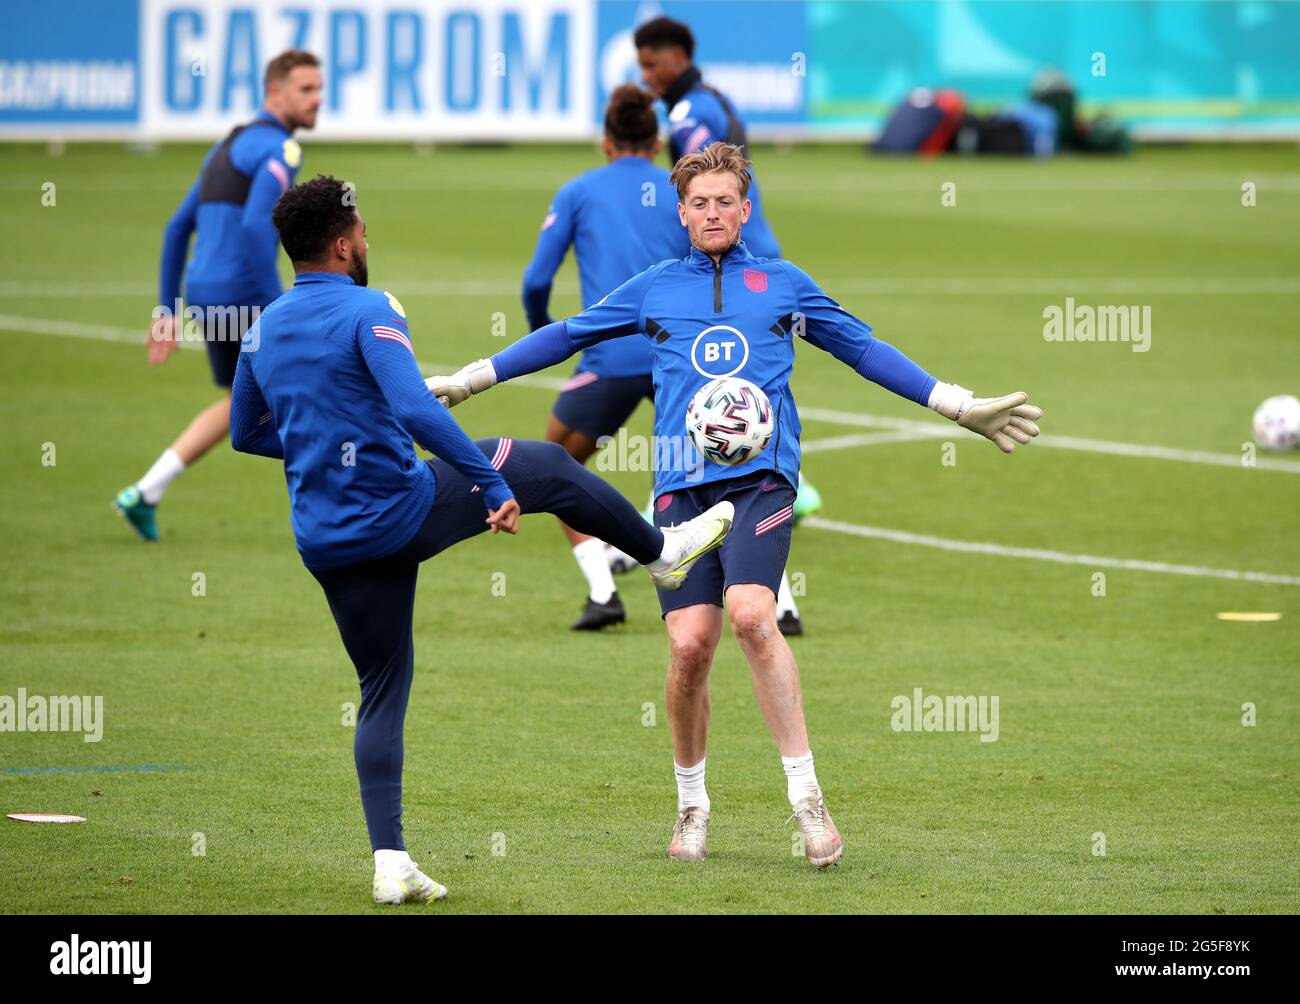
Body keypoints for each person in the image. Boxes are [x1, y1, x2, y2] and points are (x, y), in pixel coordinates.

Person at [426, 144, 1043, 869]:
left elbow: (864, 349)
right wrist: (472, 380)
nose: (713, 213)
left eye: (726, 201)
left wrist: (957, 405)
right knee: (689, 647)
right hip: (681, 491)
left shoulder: (783, 285)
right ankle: (692, 807)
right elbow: (568, 335)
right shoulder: (655, 288)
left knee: (753, 615)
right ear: (681, 213)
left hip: (763, 482)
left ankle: (808, 801)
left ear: (745, 209)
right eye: (699, 203)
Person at [229, 175, 734, 904]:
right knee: (542, 465)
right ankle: (663, 554)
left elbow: (248, 433)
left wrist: (328, 445)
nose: (368, 241)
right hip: (397, 511)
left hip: (326, 538)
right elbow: (414, 407)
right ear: (342, 244)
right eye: (363, 232)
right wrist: (490, 485)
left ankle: (390, 863)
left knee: (380, 689)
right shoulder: (370, 310)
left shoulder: (263, 326)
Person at [634, 15, 816, 635]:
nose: (645, 73)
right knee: (730, 422)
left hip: (738, 282)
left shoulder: (691, 110)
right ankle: (772, 583)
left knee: (722, 421)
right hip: (736, 277)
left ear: (678, 56)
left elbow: (700, 179)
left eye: (652, 61)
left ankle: (767, 578)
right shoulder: (711, 99)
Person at [113, 50, 322, 541]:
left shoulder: (226, 145)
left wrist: (168, 308)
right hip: (244, 291)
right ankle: (341, 508)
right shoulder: (283, 150)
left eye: (319, 89)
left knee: (240, 402)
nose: (318, 100)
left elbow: (177, 225)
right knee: (317, 385)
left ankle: (145, 491)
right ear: (276, 92)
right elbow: (254, 227)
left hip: (204, 295)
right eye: (307, 90)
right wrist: (281, 307)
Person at [523, 84, 691, 631]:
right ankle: (781, 602)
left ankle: (603, 592)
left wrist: (541, 333)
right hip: (679, 357)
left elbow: (536, 280)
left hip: (609, 359)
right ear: (658, 139)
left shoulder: (577, 191)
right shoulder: (679, 192)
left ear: (605, 142)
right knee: (732, 471)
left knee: (551, 469)